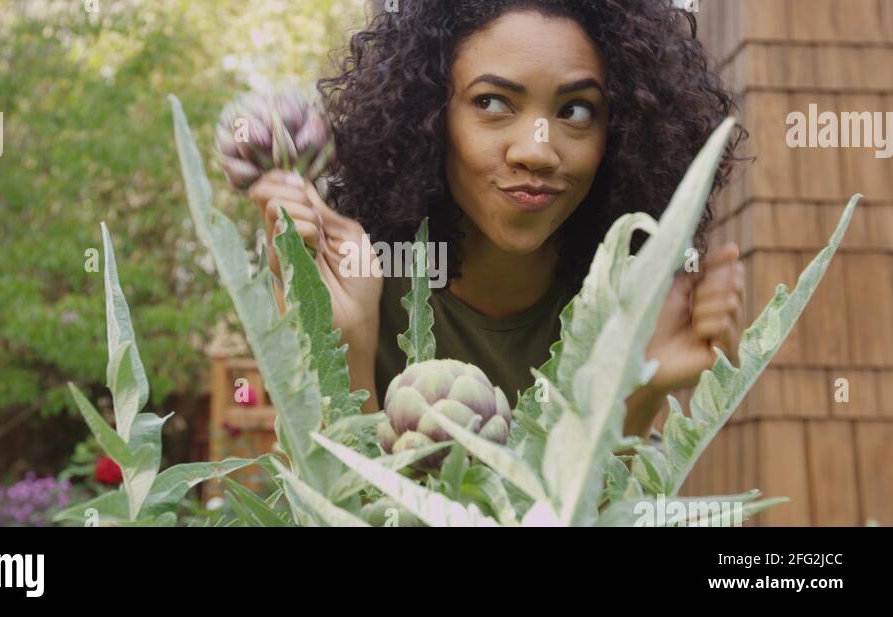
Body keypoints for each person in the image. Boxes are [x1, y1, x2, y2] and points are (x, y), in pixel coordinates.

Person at [248, 0, 747, 439]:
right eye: (491, 103)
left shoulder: (626, 307)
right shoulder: (353, 281)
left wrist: (638, 394)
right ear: (430, 115)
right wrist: (342, 342)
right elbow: (331, 508)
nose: (537, 150)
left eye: (575, 111)